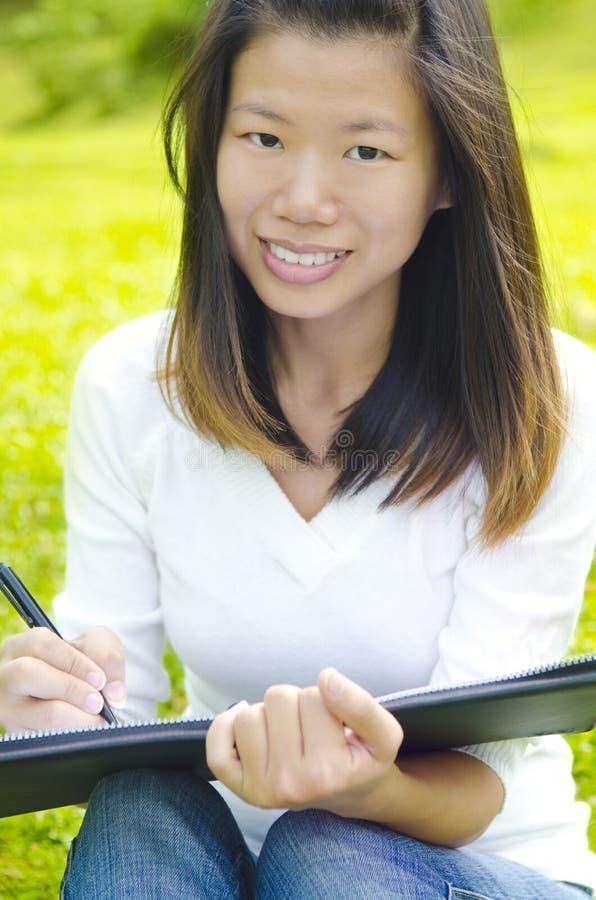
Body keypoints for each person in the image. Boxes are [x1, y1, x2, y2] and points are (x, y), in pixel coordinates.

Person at [1, 0, 595, 896]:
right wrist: (42, 709)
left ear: (448, 175)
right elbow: (112, 701)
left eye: (366, 151)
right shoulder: (130, 384)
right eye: (264, 138)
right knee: (136, 808)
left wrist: (373, 788)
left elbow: (488, 774)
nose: (302, 200)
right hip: (218, 859)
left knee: (327, 850)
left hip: (478, 863)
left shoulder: (546, 399)